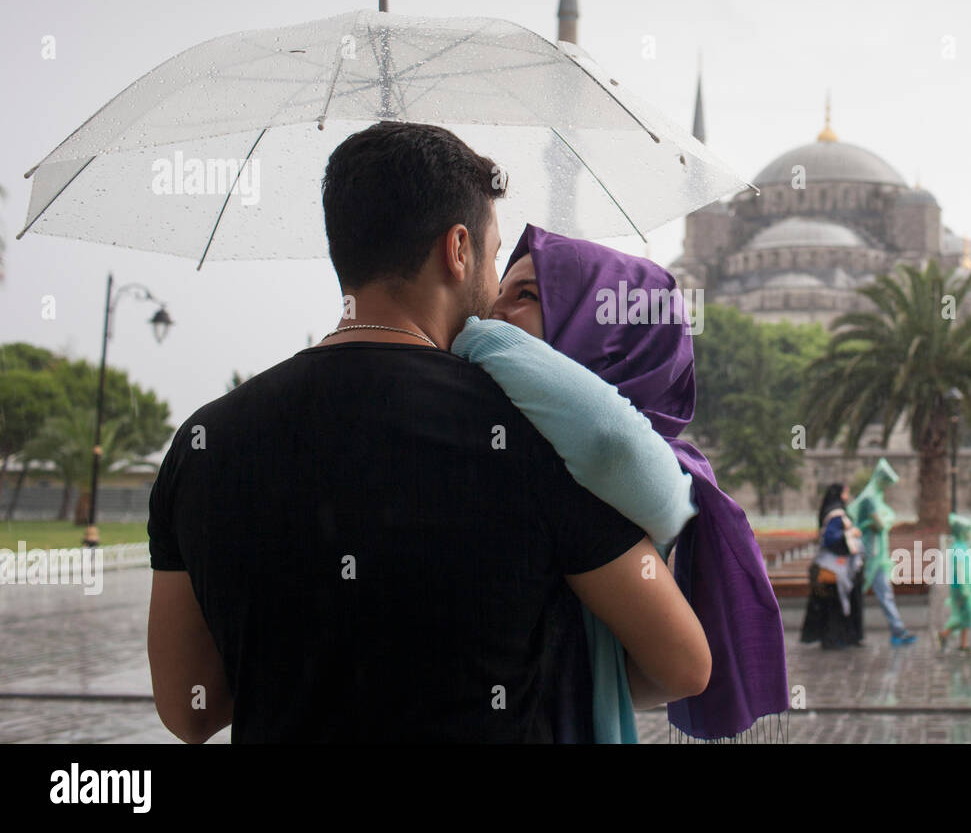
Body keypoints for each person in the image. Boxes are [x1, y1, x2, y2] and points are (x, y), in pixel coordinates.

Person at [146, 122, 711, 743]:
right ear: (458, 248)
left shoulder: (203, 445)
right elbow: (684, 663)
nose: (495, 290)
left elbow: (189, 709)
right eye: (496, 257)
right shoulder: (533, 435)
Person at [474, 223, 789, 742]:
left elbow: (679, 669)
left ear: (603, 332)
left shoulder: (624, 476)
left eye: (526, 296)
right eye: (497, 294)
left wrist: (464, 334)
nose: (493, 311)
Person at [848, 459, 917, 646]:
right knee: (874, 593)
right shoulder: (870, 498)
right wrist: (885, 521)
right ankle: (895, 630)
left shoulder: (874, 496)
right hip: (870, 554)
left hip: (875, 554)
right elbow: (878, 524)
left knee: (874, 592)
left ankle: (894, 629)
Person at [801, 483, 865, 650]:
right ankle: (833, 639)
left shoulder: (831, 509)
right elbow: (831, 538)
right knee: (834, 606)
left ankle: (837, 637)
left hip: (831, 566)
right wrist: (852, 534)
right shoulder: (836, 513)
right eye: (846, 492)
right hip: (834, 568)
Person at [937, 513, 971, 652]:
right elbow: (960, 570)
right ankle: (944, 633)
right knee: (966, 613)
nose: (970, 535)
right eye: (968, 532)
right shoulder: (959, 548)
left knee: (965, 613)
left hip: (966, 586)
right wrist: (964, 588)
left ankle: (964, 643)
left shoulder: (961, 547)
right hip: (962, 587)